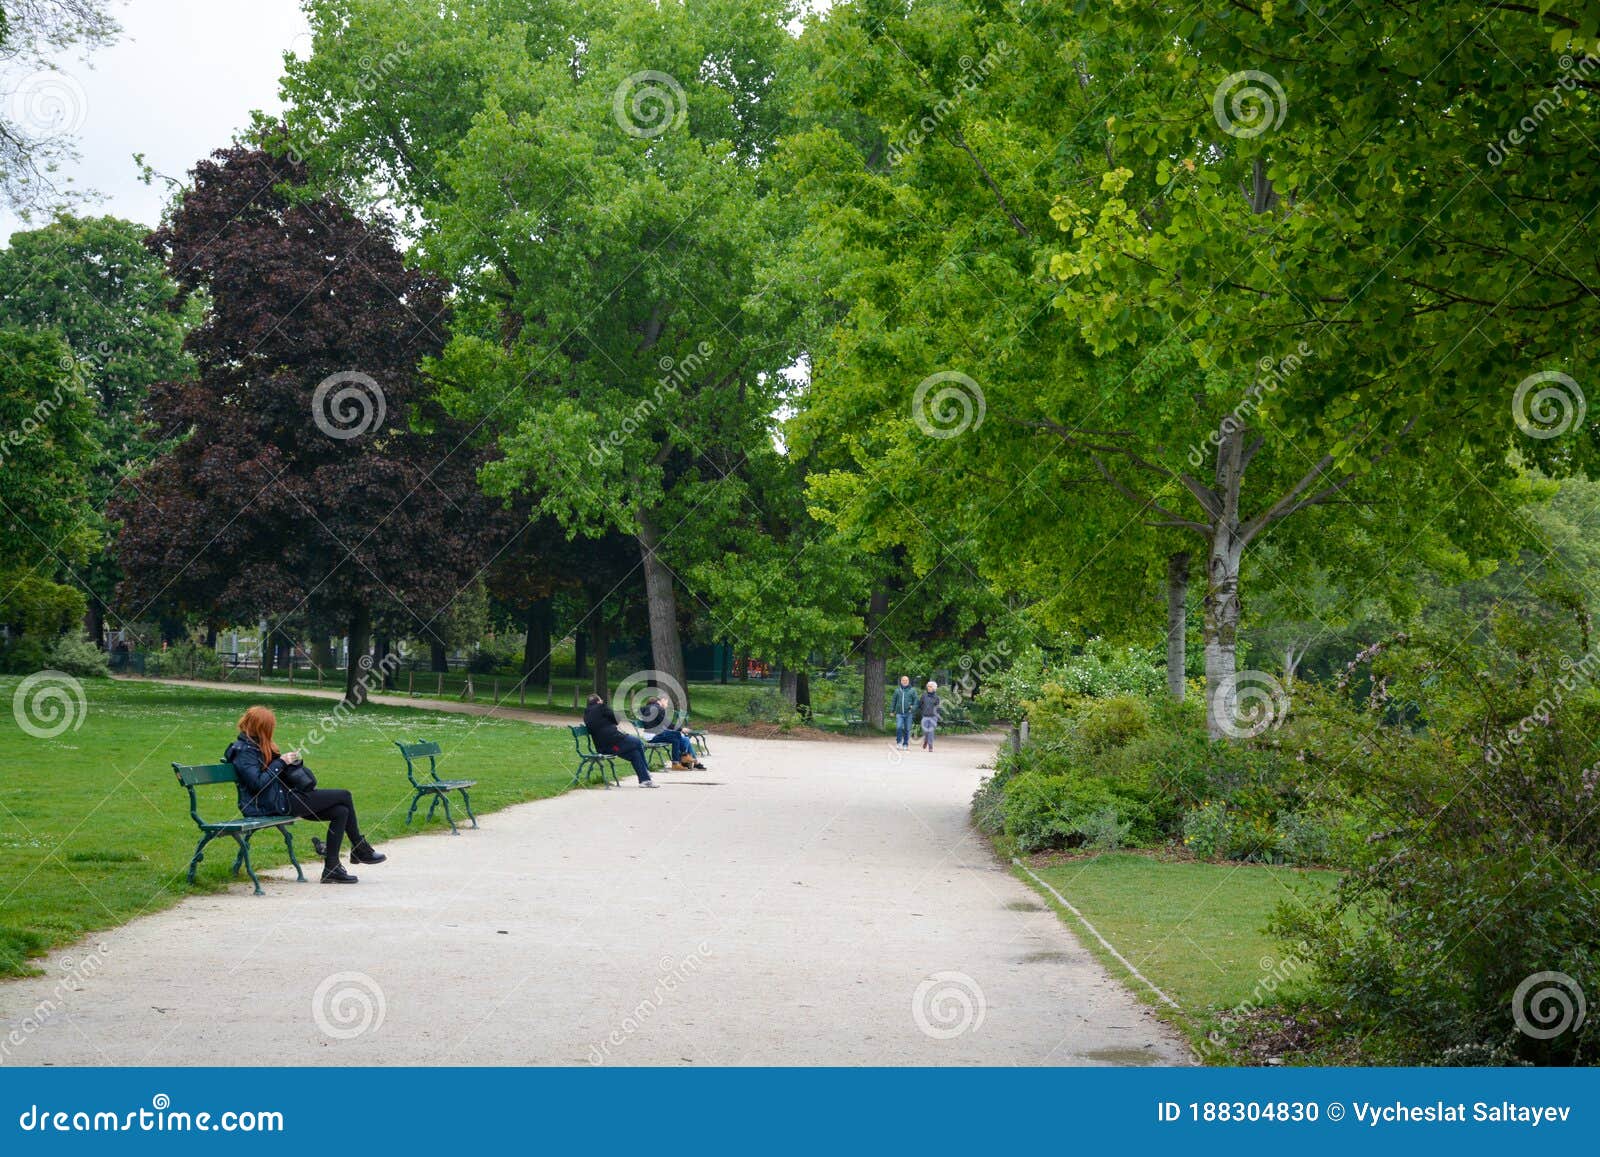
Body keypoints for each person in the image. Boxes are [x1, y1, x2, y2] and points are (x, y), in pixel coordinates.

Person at [226, 705, 385, 884]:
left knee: (341, 811)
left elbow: (273, 776)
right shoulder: (244, 751)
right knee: (344, 795)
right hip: (270, 806)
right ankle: (359, 848)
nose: (272, 731)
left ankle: (332, 869)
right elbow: (257, 784)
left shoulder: (257, 746)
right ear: (261, 727)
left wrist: (290, 762)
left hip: (281, 799)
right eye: (269, 727)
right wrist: (280, 762)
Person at [583, 693, 657, 787]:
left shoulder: (586, 713)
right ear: (598, 702)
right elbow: (617, 719)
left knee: (635, 754)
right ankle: (646, 770)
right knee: (637, 742)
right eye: (601, 700)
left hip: (604, 747)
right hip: (614, 742)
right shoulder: (601, 707)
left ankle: (645, 780)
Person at [638, 694, 705, 769]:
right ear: (662, 700)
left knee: (682, 738)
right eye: (667, 702)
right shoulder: (659, 708)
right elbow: (667, 724)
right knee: (678, 735)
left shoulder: (648, 708)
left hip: (652, 735)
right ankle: (682, 759)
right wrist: (681, 729)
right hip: (653, 736)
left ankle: (683, 761)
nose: (667, 705)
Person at [890, 675, 918, 750]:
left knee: (907, 729)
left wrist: (913, 708)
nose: (905, 681)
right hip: (899, 713)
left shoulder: (912, 690)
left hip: (909, 713)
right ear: (901, 681)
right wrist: (892, 711)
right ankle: (899, 742)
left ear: (908, 681)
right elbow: (893, 701)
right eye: (903, 680)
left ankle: (905, 744)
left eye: (906, 680)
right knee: (899, 727)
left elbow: (916, 701)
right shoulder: (897, 690)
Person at [918, 681, 941, 751]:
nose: (929, 688)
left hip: (933, 717)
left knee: (931, 731)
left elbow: (938, 708)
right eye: (928, 686)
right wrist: (923, 711)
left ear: (934, 688)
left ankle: (930, 745)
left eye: (930, 687)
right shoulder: (924, 696)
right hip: (925, 716)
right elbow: (920, 705)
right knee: (925, 731)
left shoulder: (936, 697)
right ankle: (926, 740)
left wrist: (937, 716)